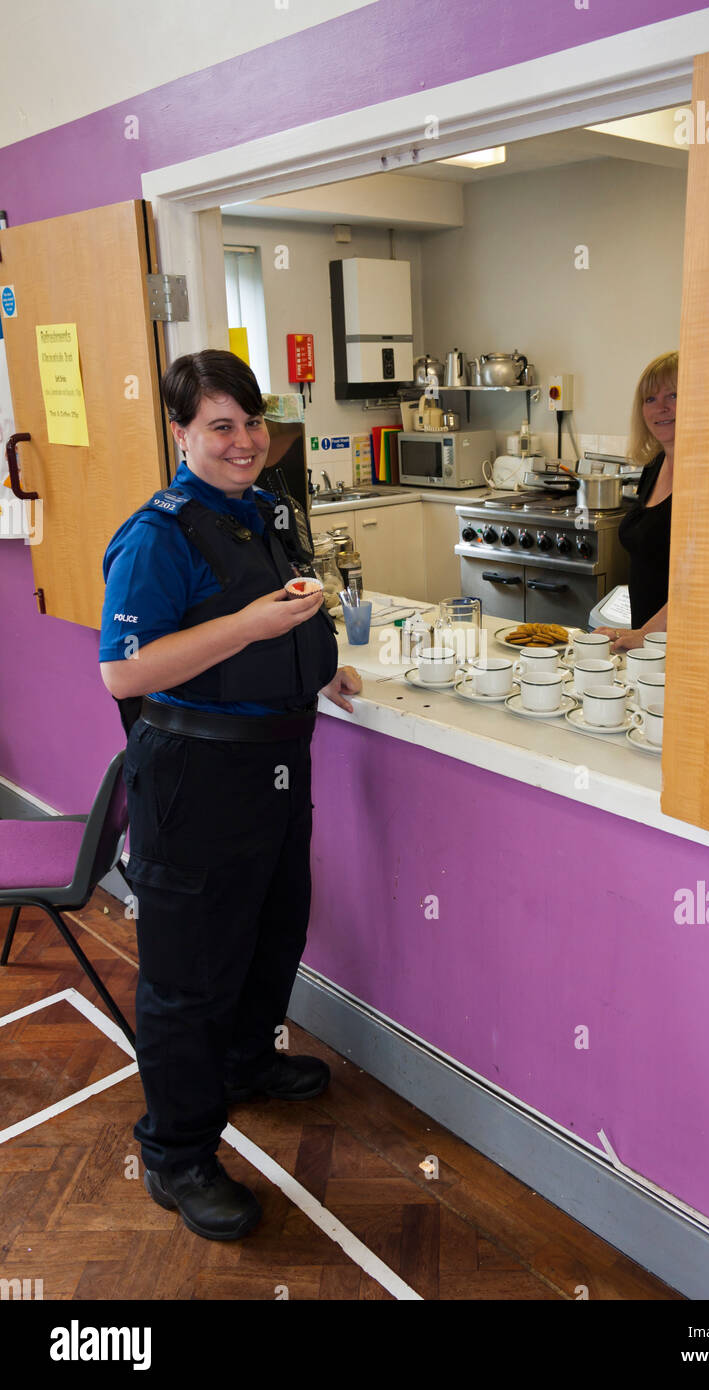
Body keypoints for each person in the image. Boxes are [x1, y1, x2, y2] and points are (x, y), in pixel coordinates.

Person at [99, 349, 362, 1242]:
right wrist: (252, 628)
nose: (245, 442)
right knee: (189, 976)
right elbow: (123, 670)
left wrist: (317, 667)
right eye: (222, 426)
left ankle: (248, 1062)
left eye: (252, 423)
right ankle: (175, 1153)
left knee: (272, 927)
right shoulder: (159, 534)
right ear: (181, 434)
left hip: (280, 762)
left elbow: (282, 611)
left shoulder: (269, 509)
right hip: (197, 776)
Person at [596, 351, 677, 653]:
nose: (662, 408)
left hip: (681, 648)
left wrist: (646, 634)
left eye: (674, 395)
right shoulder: (654, 465)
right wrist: (634, 632)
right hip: (652, 647)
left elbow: (702, 582)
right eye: (650, 399)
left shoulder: (705, 477)